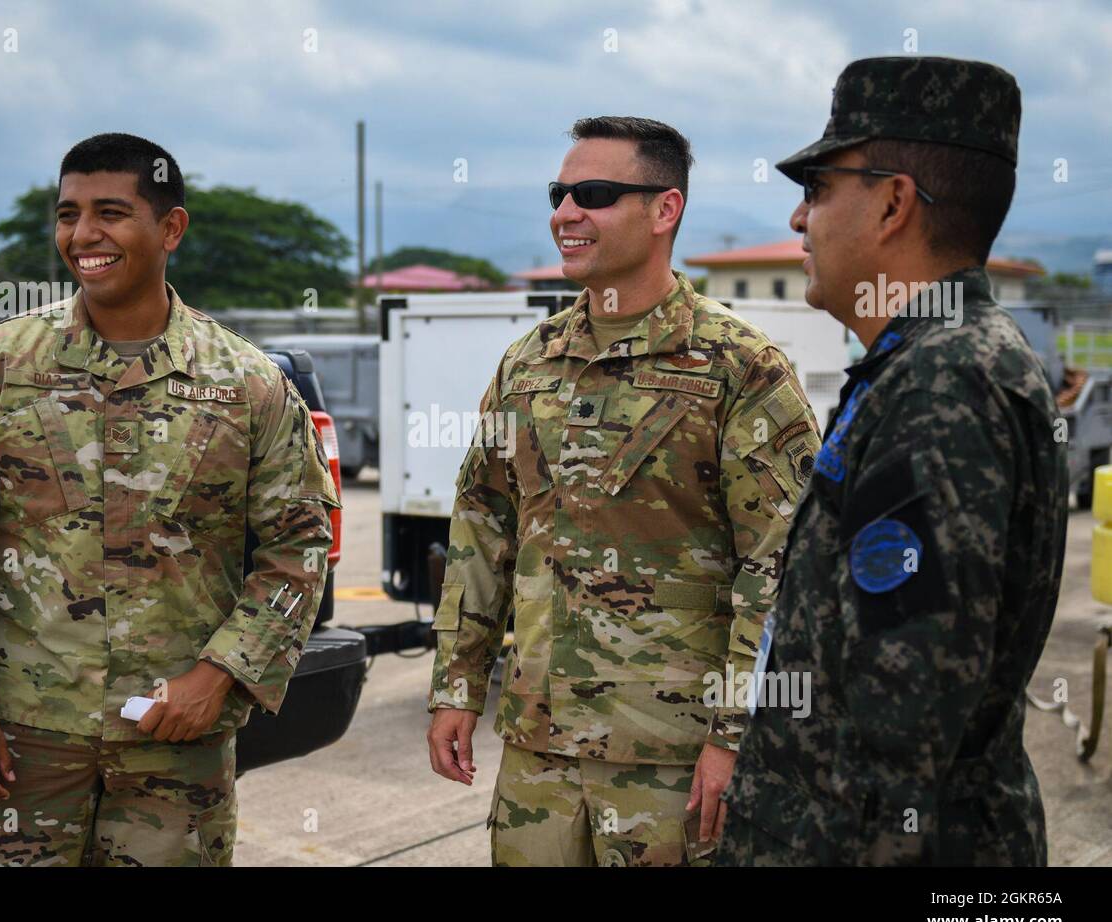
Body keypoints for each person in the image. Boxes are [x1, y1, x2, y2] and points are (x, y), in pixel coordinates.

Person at [0, 132, 340, 866]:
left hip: (177, 741)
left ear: (171, 228)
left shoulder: (247, 384)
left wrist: (216, 676)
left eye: (110, 212)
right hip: (23, 740)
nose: (84, 235)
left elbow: (297, 549)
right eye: (68, 214)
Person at [425, 116, 820, 866]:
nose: (565, 214)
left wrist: (737, 741)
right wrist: (456, 685)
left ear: (664, 209)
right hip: (538, 748)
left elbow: (781, 570)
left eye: (595, 194)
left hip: (674, 762)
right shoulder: (528, 364)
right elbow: (484, 528)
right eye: (559, 193)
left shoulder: (740, 368)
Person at [718, 57, 1067, 866]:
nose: (800, 218)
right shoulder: (923, 363)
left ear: (892, 202)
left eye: (819, 184)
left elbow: (904, 732)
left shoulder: (945, 380)